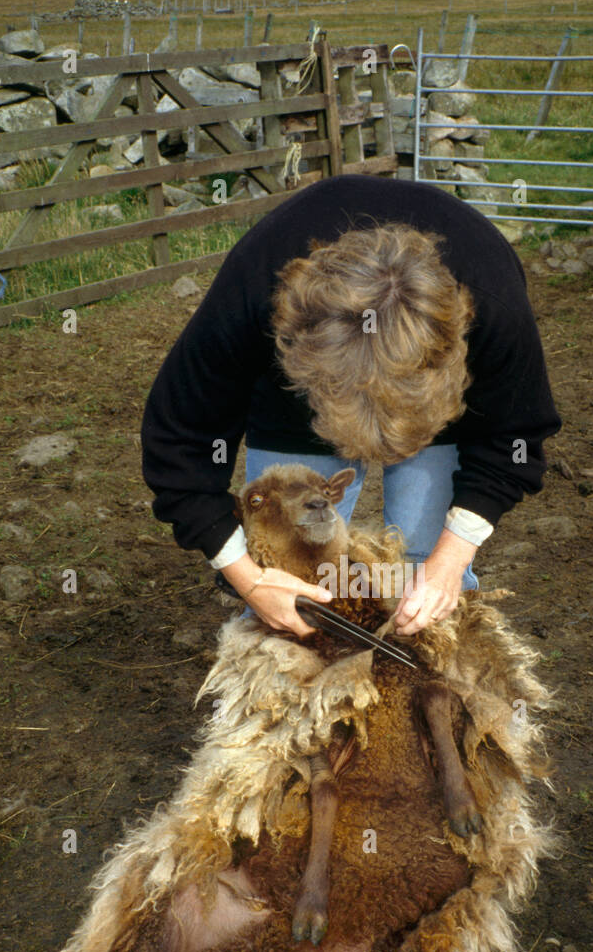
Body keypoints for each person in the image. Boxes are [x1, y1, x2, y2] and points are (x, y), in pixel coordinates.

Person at [141, 174, 561, 637]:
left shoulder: (494, 305)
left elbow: (516, 438)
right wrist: (251, 579)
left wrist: (449, 560)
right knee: (291, 569)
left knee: (425, 580)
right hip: (299, 400)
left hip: (435, 404)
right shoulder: (250, 296)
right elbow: (178, 445)